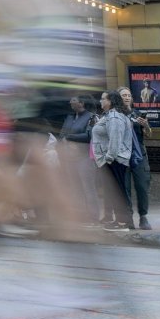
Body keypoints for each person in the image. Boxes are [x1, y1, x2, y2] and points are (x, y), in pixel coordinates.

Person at [91, 90, 134, 231]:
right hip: (111, 160)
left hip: (114, 160)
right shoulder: (110, 115)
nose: (101, 101)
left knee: (117, 192)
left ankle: (122, 222)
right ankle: (121, 221)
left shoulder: (114, 116)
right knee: (114, 191)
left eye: (103, 99)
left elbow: (115, 140)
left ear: (110, 101)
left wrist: (108, 159)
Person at [59, 95, 98, 223]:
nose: (70, 102)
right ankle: (80, 215)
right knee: (75, 188)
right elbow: (62, 133)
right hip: (70, 157)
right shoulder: (70, 117)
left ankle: (93, 217)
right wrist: (66, 138)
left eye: (74, 100)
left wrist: (69, 137)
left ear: (81, 103)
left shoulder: (91, 117)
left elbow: (89, 135)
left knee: (88, 188)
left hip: (84, 157)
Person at [118, 86, 152, 229]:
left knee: (142, 187)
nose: (127, 97)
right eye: (123, 95)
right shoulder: (115, 115)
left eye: (129, 95)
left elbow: (149, 135)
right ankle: (128, 218)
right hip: (122, 156)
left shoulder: (138, 114)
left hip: (139, 156)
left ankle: (143, 217)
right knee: (124, 189)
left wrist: (145, 126)